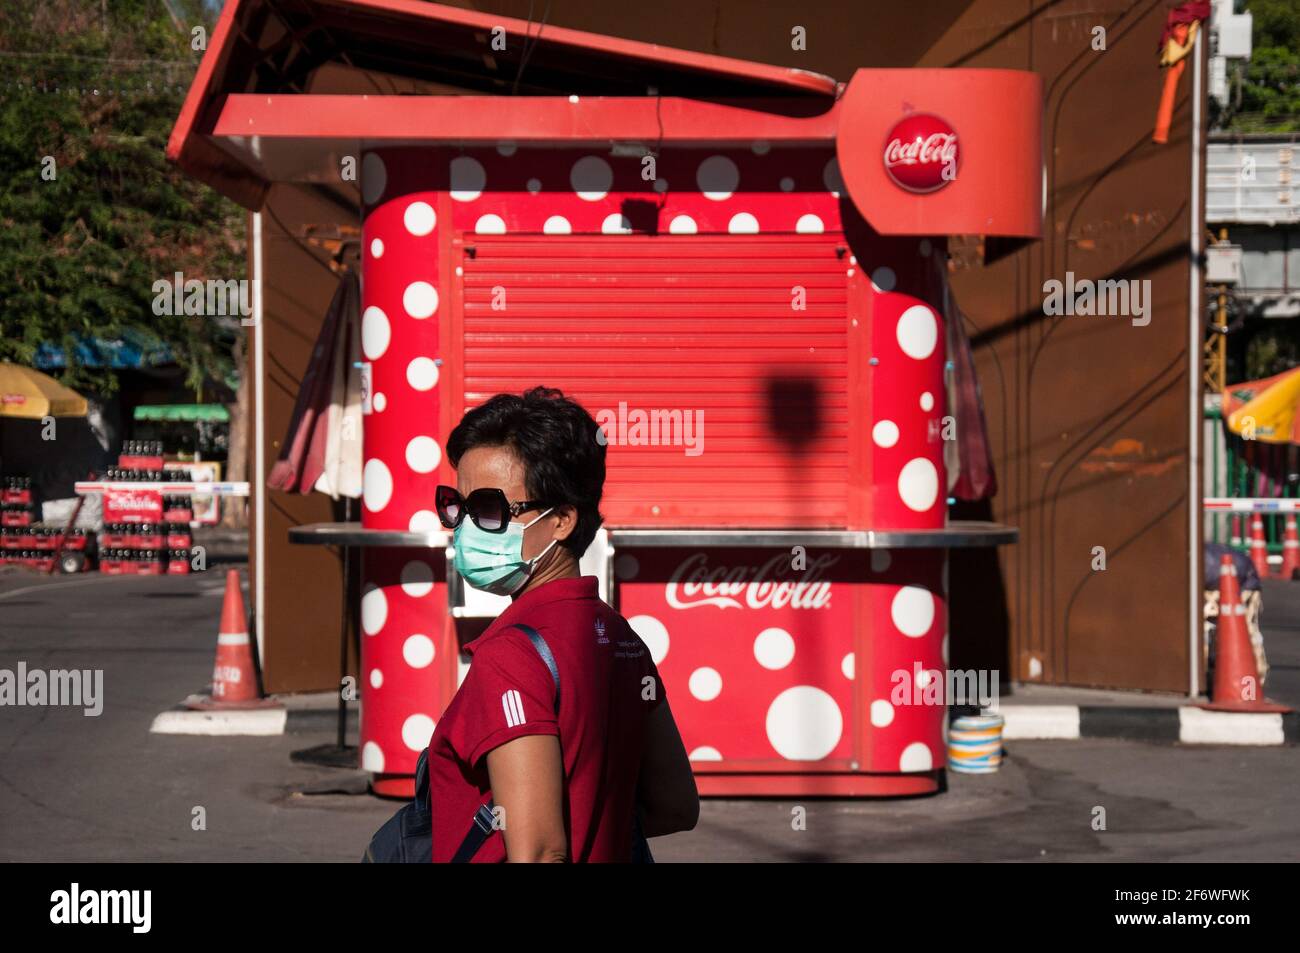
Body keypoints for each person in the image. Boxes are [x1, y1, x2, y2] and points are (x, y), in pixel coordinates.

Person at [426, 386, 698, 862]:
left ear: (563, 520)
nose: (465, 527)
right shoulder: (621, 639)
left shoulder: (509, 656)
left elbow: (537, 853)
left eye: (489, 509)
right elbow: (675, 806)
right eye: (457, 506)